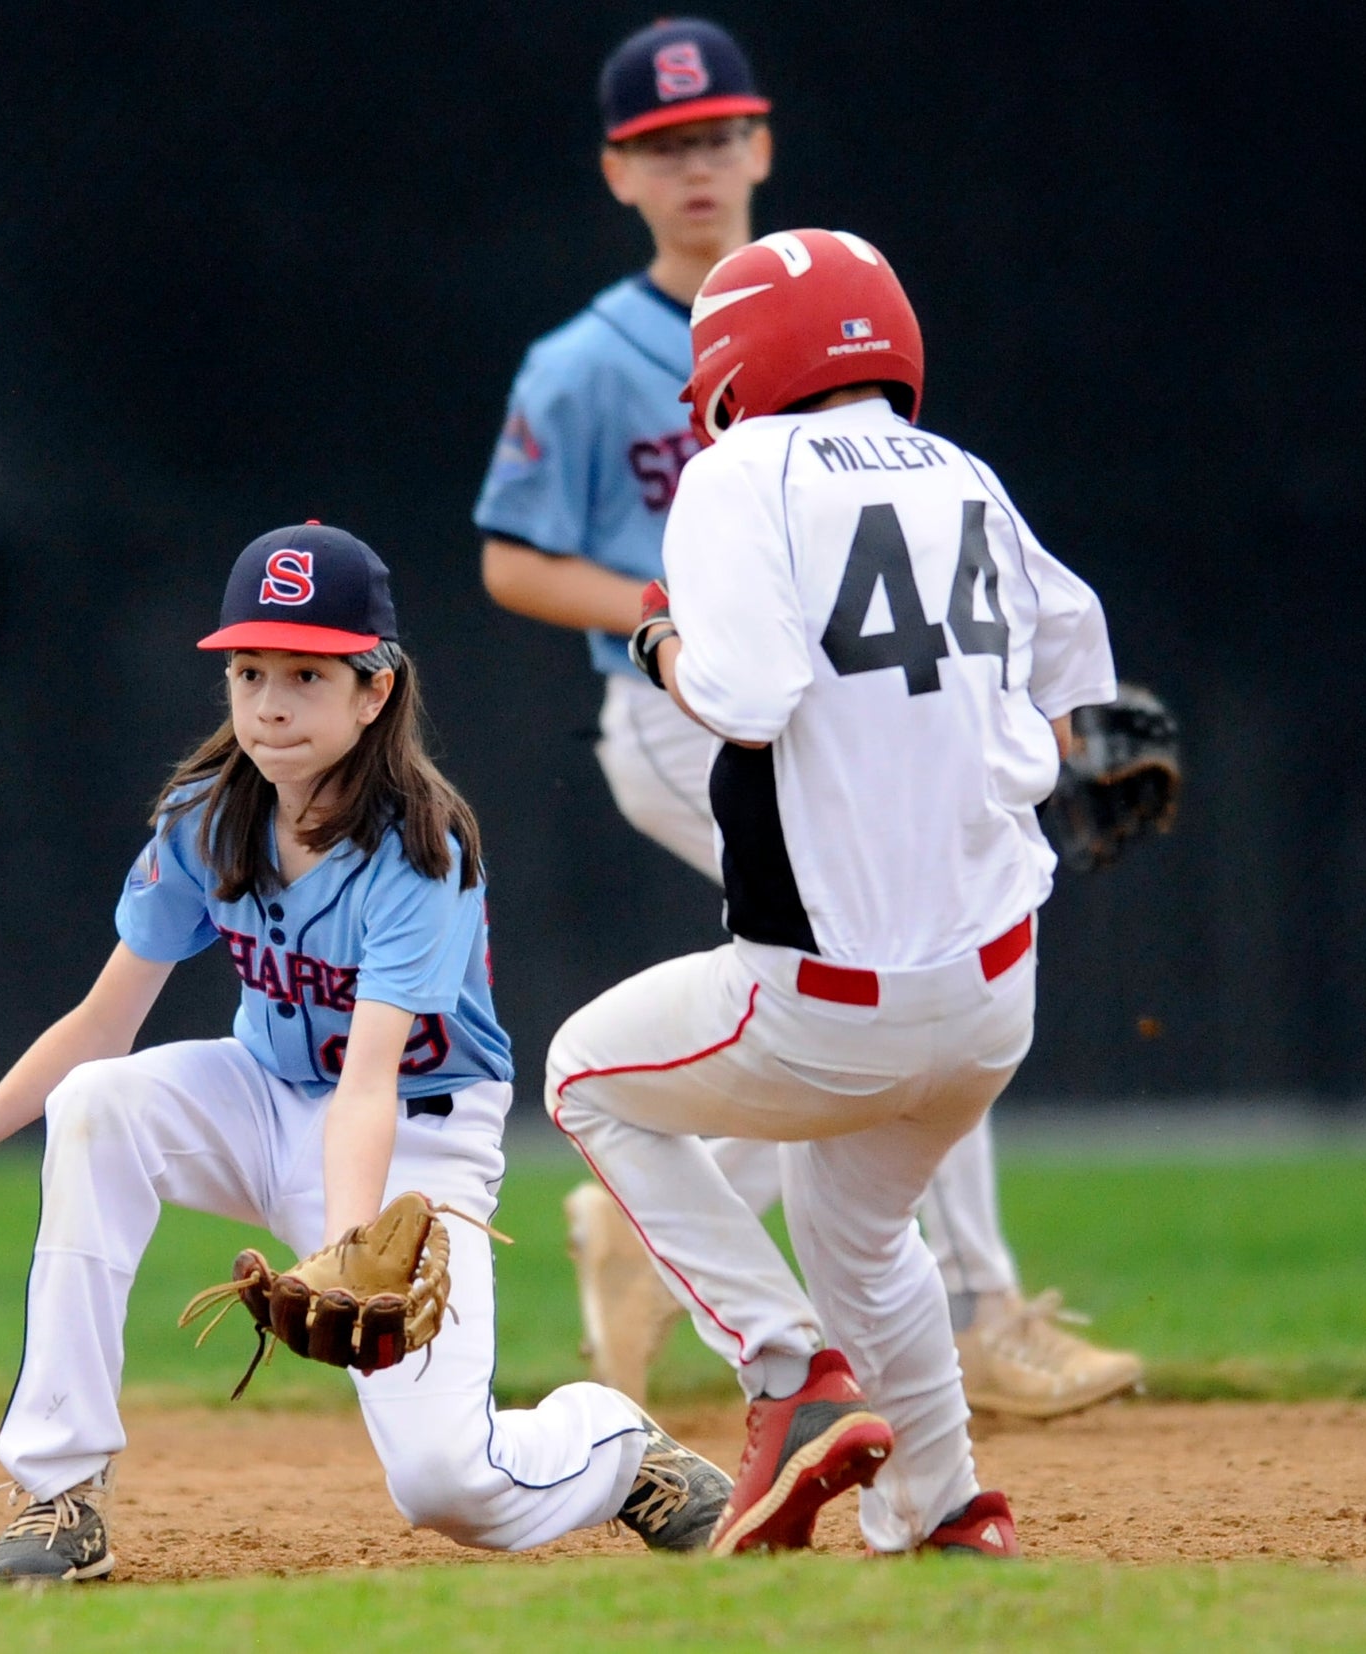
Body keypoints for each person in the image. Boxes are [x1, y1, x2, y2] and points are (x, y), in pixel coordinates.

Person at [473, 15, 1139, 1421]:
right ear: (618, 172)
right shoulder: (583, 361)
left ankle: (668, 1221)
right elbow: (510, 560)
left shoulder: (808, 329)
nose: (697, 165)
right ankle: (976, 1309)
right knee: (904, 951)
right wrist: (668, 617)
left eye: (718, 135)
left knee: (875, 984)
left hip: (827, 703)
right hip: (680, 717)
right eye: (664, 145)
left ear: (762, 146)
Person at [0, 522, 731, 1586]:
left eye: (307, 673)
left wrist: (347, 1245)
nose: (271, 704)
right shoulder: (207, 816)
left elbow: (370, 1081)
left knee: (448, 1485)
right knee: (101, 1100)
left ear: (374, 690)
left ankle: (615, 1450)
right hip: (259, 1093)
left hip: (413, 1139)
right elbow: (105, 1021)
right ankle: (59, 1489)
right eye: (249, 672)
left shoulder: (421, 849)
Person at [547, 228, 1118, 1556]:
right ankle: (946, 1505)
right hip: (995, 996)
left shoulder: (739, 468)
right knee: (856, 1226)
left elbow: (746, 698)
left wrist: (658, 635)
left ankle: (785, 1366)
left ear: (735, 363)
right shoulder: (963, 472)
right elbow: (1074, 650)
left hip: (829, 997)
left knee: (585, 1075)